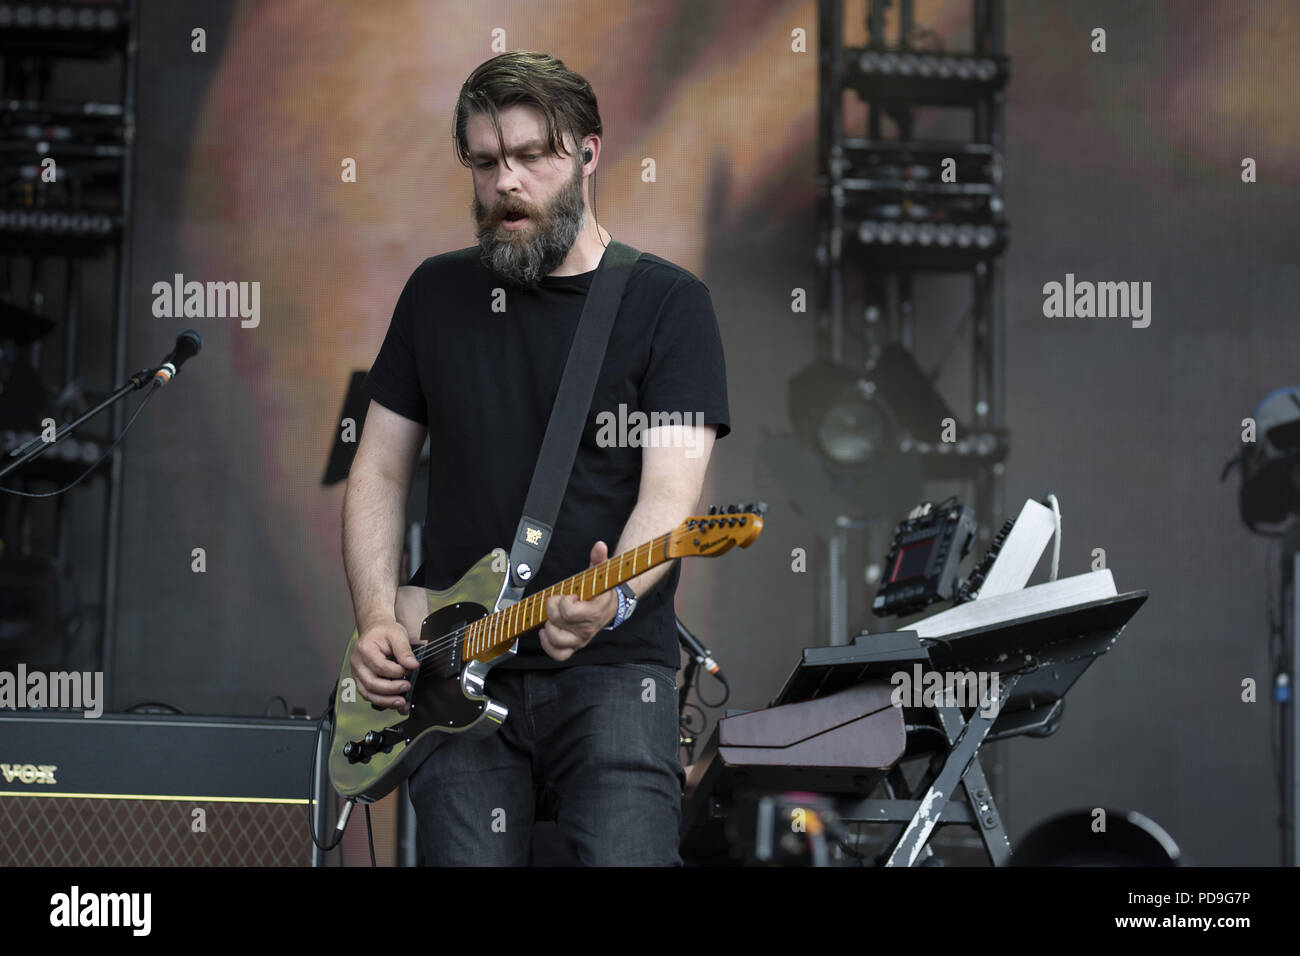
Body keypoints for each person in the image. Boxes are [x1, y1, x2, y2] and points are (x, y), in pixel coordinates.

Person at [341, 50, 730, 866]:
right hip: (450, 673)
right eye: (485, 163)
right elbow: (377, 468)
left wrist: (611, 600)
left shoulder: (667, 303)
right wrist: (378, 616)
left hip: (617, 673)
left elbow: (668, 497)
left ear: (589, 153)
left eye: (531, 156)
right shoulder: (436, 294)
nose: (506, 182)